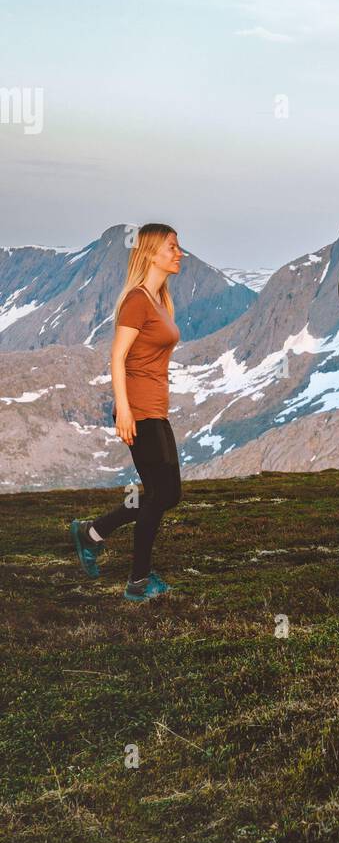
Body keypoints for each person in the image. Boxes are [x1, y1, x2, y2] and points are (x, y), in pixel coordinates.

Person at [70, 224, 184, 600]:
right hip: (139, 409)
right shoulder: (137, 300)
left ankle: (91, 533)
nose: (179, 253)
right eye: (171, 247)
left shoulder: (159, 299)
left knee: (167, 493)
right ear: (151, 252)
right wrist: (123, 410)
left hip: (155, 407)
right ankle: (137, 582)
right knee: (159, 492)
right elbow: (117, 357)